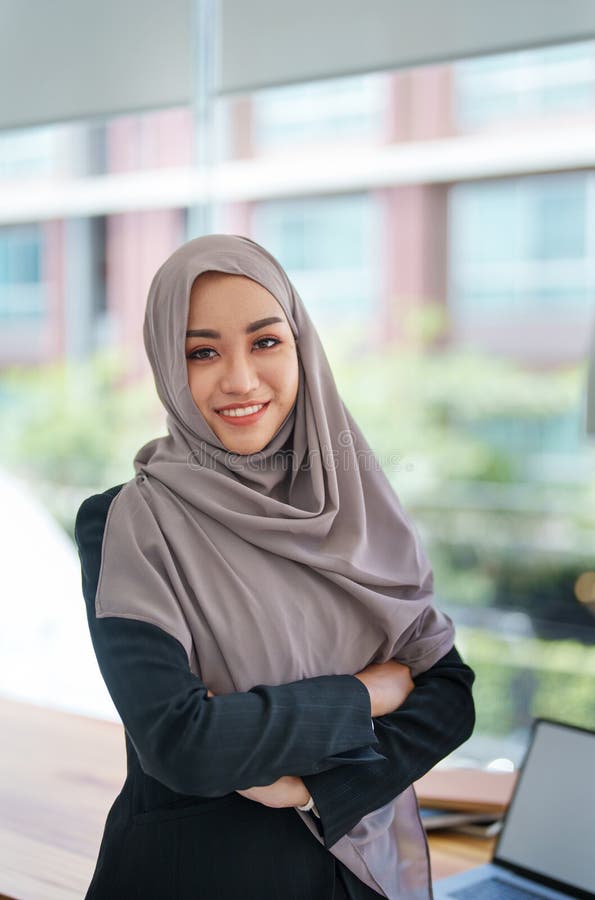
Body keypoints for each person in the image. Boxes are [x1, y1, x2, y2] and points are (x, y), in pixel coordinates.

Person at [74, 233, 475, 900]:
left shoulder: (356, 503)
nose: (239, 379)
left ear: (301, 349)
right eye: (202, 352)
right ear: (169, 370)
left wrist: (318, 787)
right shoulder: (128, 524)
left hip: (356, 881)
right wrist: (369, 694)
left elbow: (449, 693)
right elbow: (183, 744)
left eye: (265, 342)